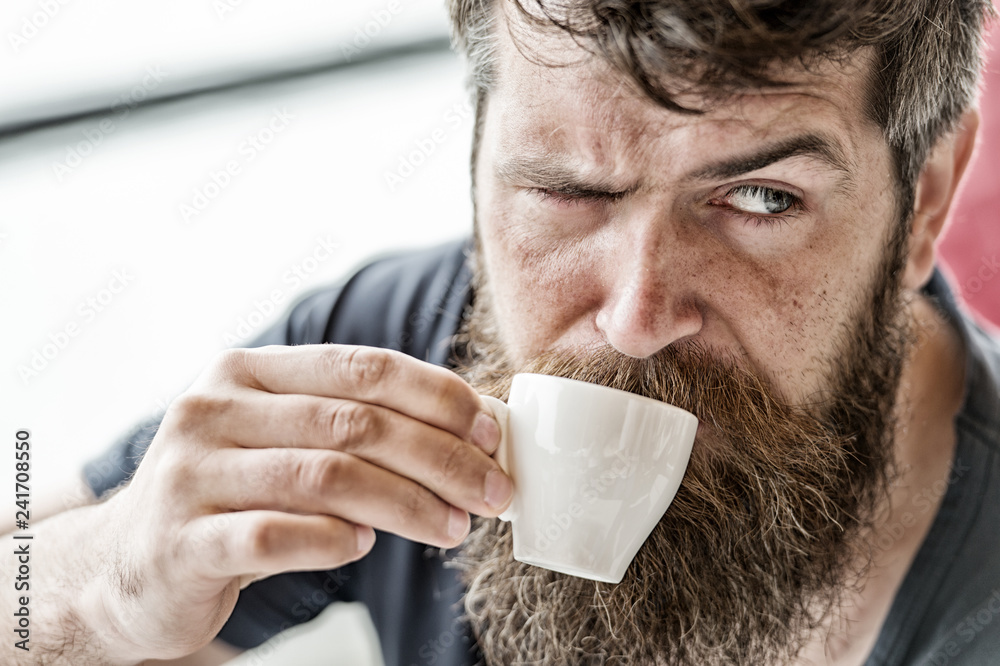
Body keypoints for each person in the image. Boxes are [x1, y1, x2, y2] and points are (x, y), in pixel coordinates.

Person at [5, 0, 999, 664]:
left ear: (923, 204)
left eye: (760, 197)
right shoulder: (408, 353)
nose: (633, 316)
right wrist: (97, 581)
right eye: (564, 189)